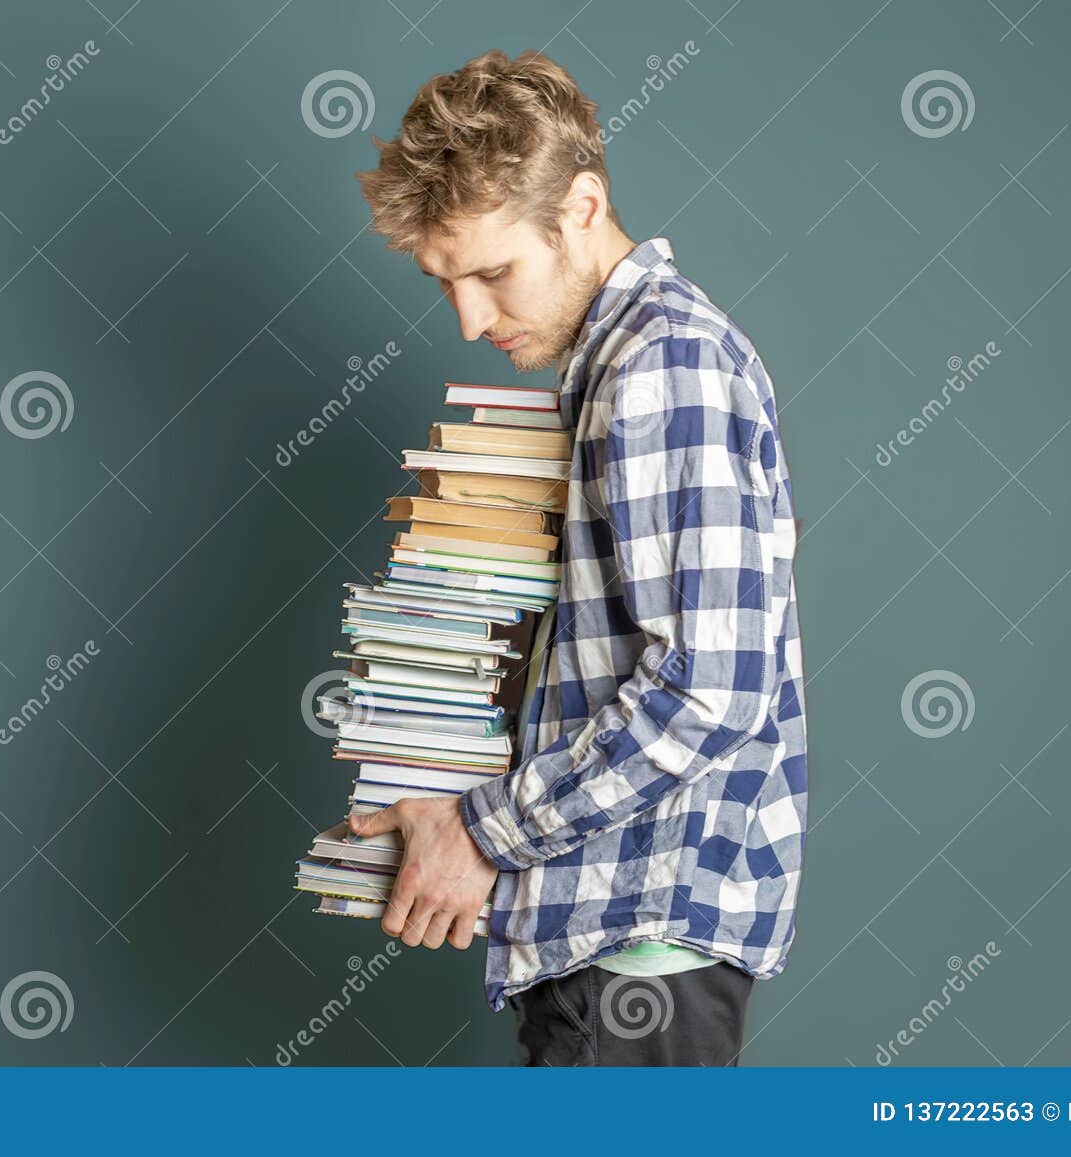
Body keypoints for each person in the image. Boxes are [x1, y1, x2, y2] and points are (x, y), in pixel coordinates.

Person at [347, 48, 807, 1066]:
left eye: (493, 271)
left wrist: (482, 832)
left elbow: (712, 688)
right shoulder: (624, 369)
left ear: (583, 204)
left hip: (636, 943)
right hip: (613, 930)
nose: (469, 318)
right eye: (446, 282)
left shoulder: (662, 365)